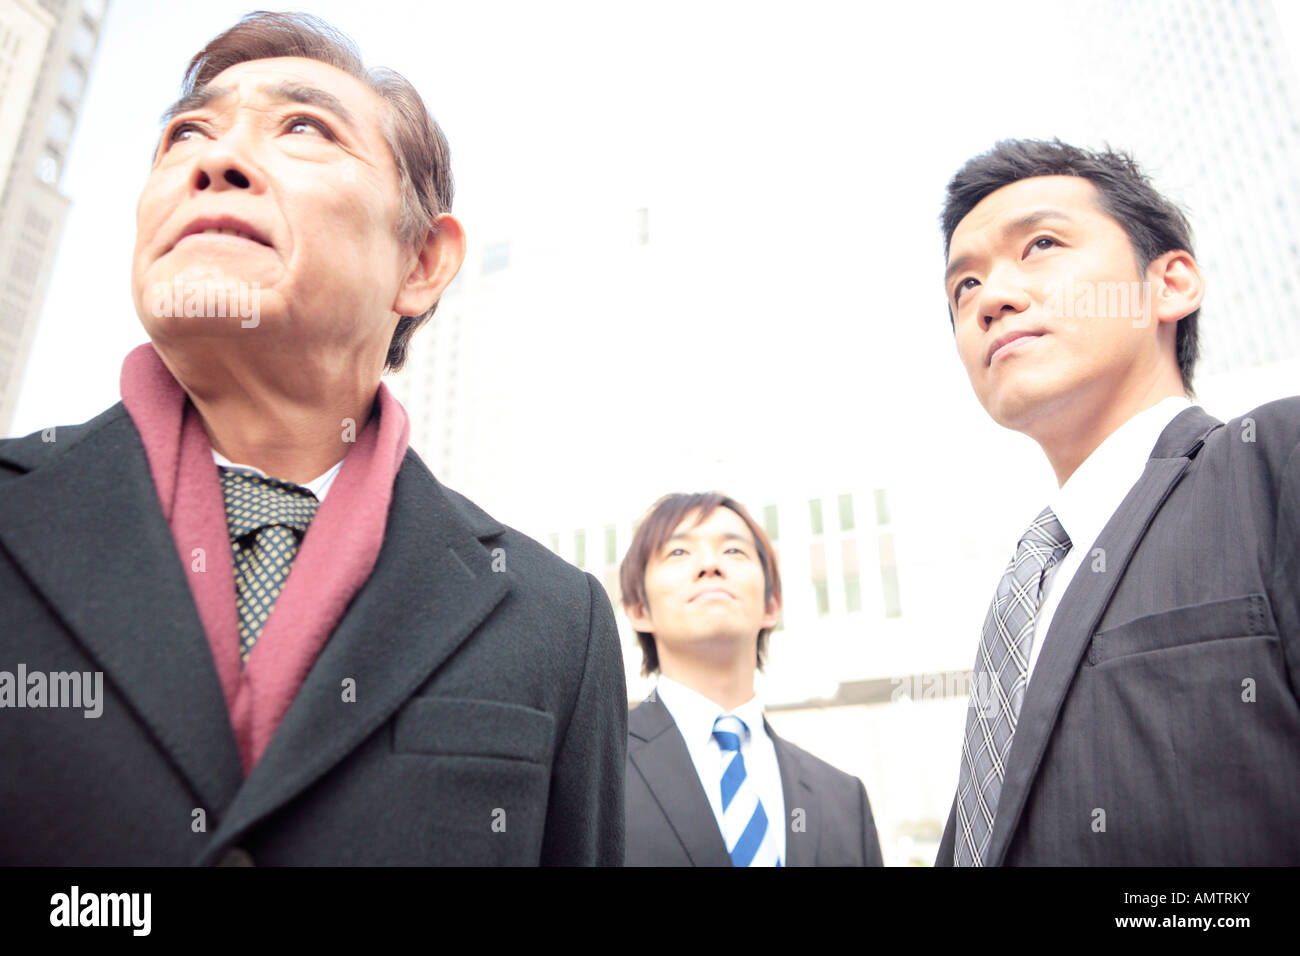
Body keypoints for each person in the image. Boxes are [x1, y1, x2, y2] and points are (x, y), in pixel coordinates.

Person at [0, 12, 624, 866]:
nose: (213, 162)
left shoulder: (555, 620)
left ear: (421, 263)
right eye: (187, 133)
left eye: (304, 127)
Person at [935, 138, 1300, 866]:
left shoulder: (1276, 462)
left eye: (1041, 243)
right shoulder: (1023, 591)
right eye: (963, 287)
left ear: (1169, 285)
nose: (991, 300)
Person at [621, 492, 883, 866]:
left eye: (733, 551)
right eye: (678, 552)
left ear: (771, 606)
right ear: (638, 609)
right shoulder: (596, 770)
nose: (710, 564)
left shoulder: (843, 798)